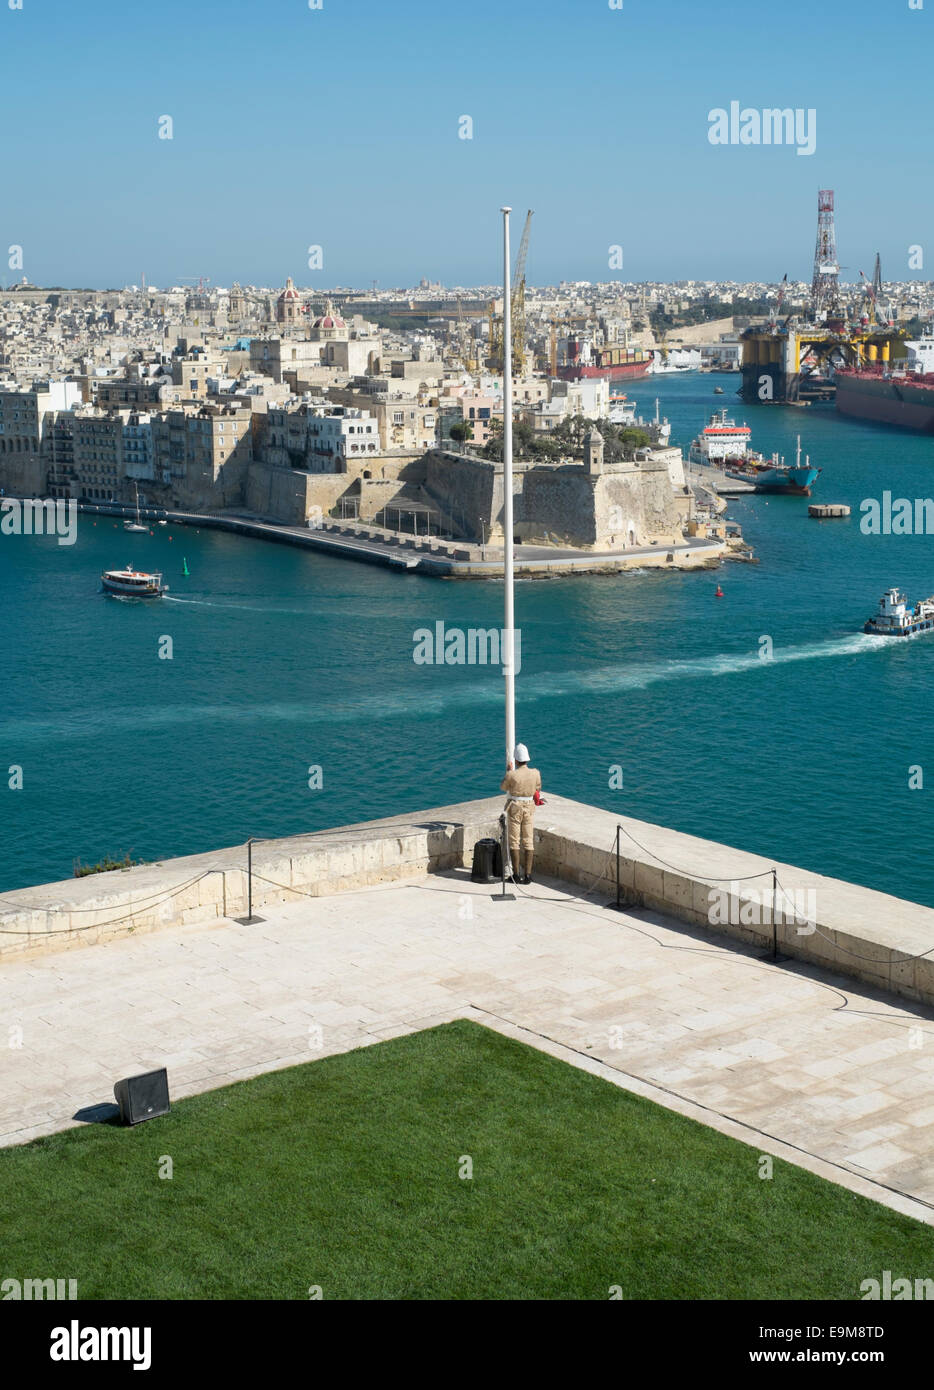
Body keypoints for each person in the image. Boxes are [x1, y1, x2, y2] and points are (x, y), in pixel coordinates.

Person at [500, 743, 542, 885]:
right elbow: (538, 788)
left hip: (515, 807)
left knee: (514, 841)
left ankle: (516, 875)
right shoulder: (535, 773)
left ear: (516, 760)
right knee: (528, 840)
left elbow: (503, 787)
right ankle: (528, 875)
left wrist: (508, 772)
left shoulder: (512, 775)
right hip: (529, 807)